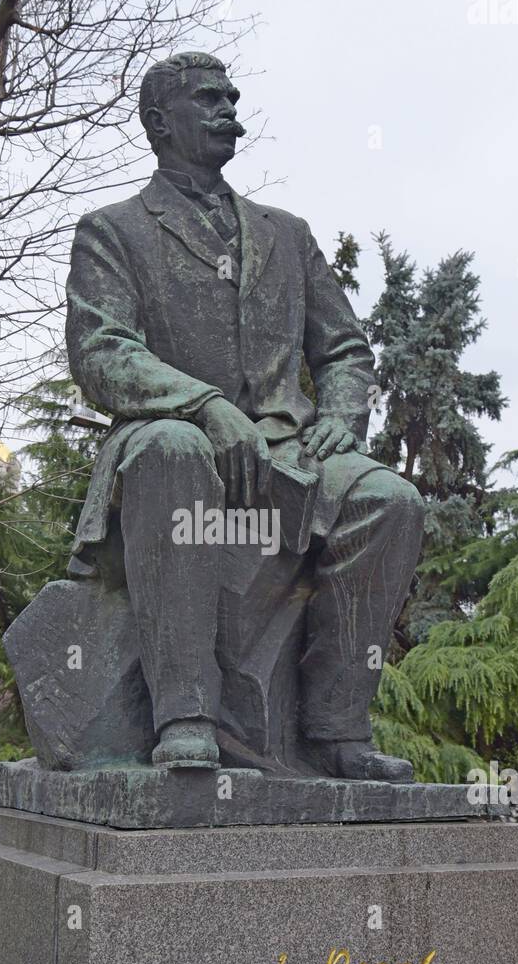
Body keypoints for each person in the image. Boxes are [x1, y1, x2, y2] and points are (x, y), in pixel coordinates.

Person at [66, 51, 425, 779]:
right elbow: (101, 352)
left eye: (232, 97)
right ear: (159, 122)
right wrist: (201, 405)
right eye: (208, 100)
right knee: (172, 449)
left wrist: (342, 414)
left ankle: (333, 728)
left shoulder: (284, 233)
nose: (230, 109)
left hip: (292, 450)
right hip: (171, 439)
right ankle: (184, 714)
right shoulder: (113, 231)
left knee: (391, 500)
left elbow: (345, 350)